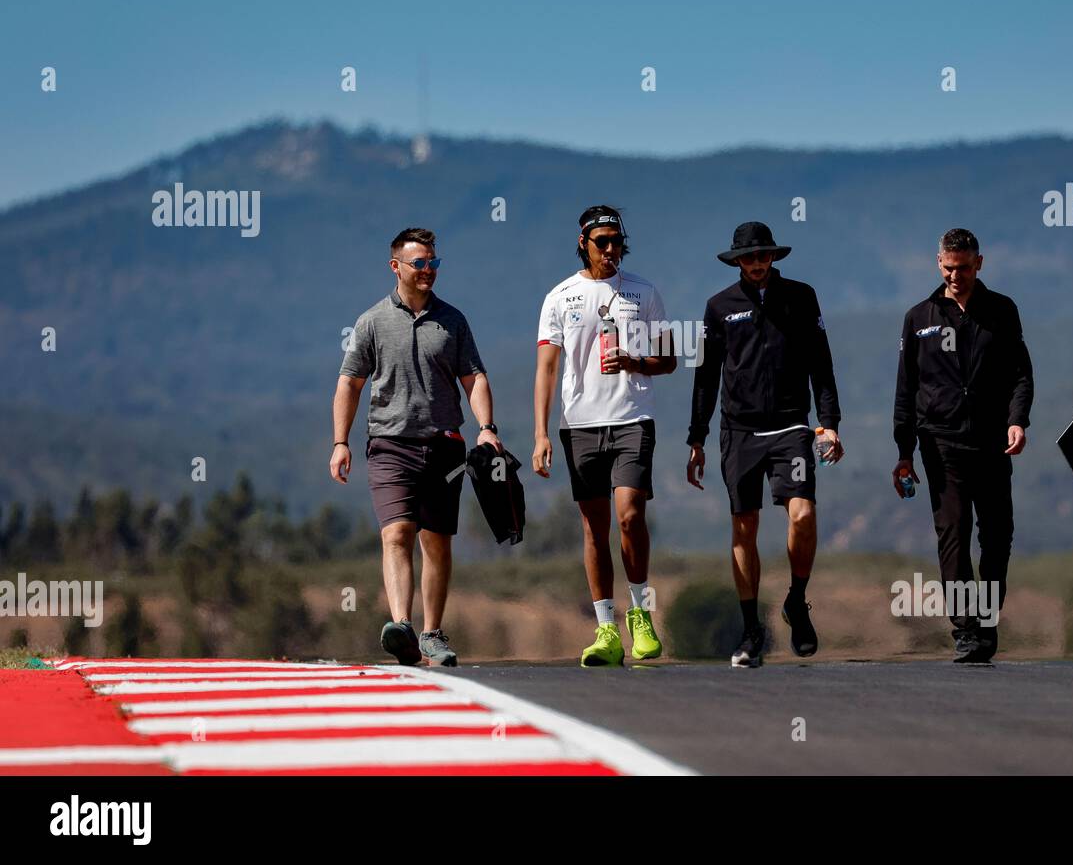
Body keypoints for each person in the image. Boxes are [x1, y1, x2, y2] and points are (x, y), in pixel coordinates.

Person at [331, 228, 503, 667]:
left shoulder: (454, 320)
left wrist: (487, 427)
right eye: (419, 264)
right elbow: (349, 383)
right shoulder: (370, 322)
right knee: (397, 533)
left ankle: (432, 633)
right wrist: (340, 441)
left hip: (444, 444)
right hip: (389, 444)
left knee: (437, 542)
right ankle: (402, 626)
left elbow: (475, 378)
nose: (428, 271)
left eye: (433, 263)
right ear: (396, 267)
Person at [687, 222, 843, 668]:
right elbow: (705, 376)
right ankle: (751, 629)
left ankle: (797, 599)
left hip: (792, 427)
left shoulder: (801, 296)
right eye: (749, 258)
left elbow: (822, 364)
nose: (757, 264)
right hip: (738, 432)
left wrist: (829, 423)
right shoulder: (719, 307)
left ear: (773, 257)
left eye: (763, 256)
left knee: (803, 512)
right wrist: (696, 438)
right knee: (744, 526)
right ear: (737, 260)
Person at [532, 206, 676, 667]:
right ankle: (606, 629)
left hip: (633, 418)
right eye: (602, 242)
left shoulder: (644, 291)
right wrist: (540, 433)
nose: (611, 249)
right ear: (583, 243)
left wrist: (635, 363)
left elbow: (669, 359)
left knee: (630, 516)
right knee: (594, 528)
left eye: (617, 241)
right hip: (579, 425)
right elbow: (547, 369)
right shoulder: (560, 296)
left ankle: (640, 613)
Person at [892, 228, 1033, 663]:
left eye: (965, 268)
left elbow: (1021, 375)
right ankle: (965, 629)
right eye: (949, 268)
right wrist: (903, 451)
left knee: (997, 535)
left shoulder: (1002, 311)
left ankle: (987, 618)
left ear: (979, 263)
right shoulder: (920, 317)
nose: (957, 276)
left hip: (992, 442)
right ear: (939, 264)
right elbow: (907, 387)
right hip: (941, 444)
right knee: (953, 533)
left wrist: (1017, 421)